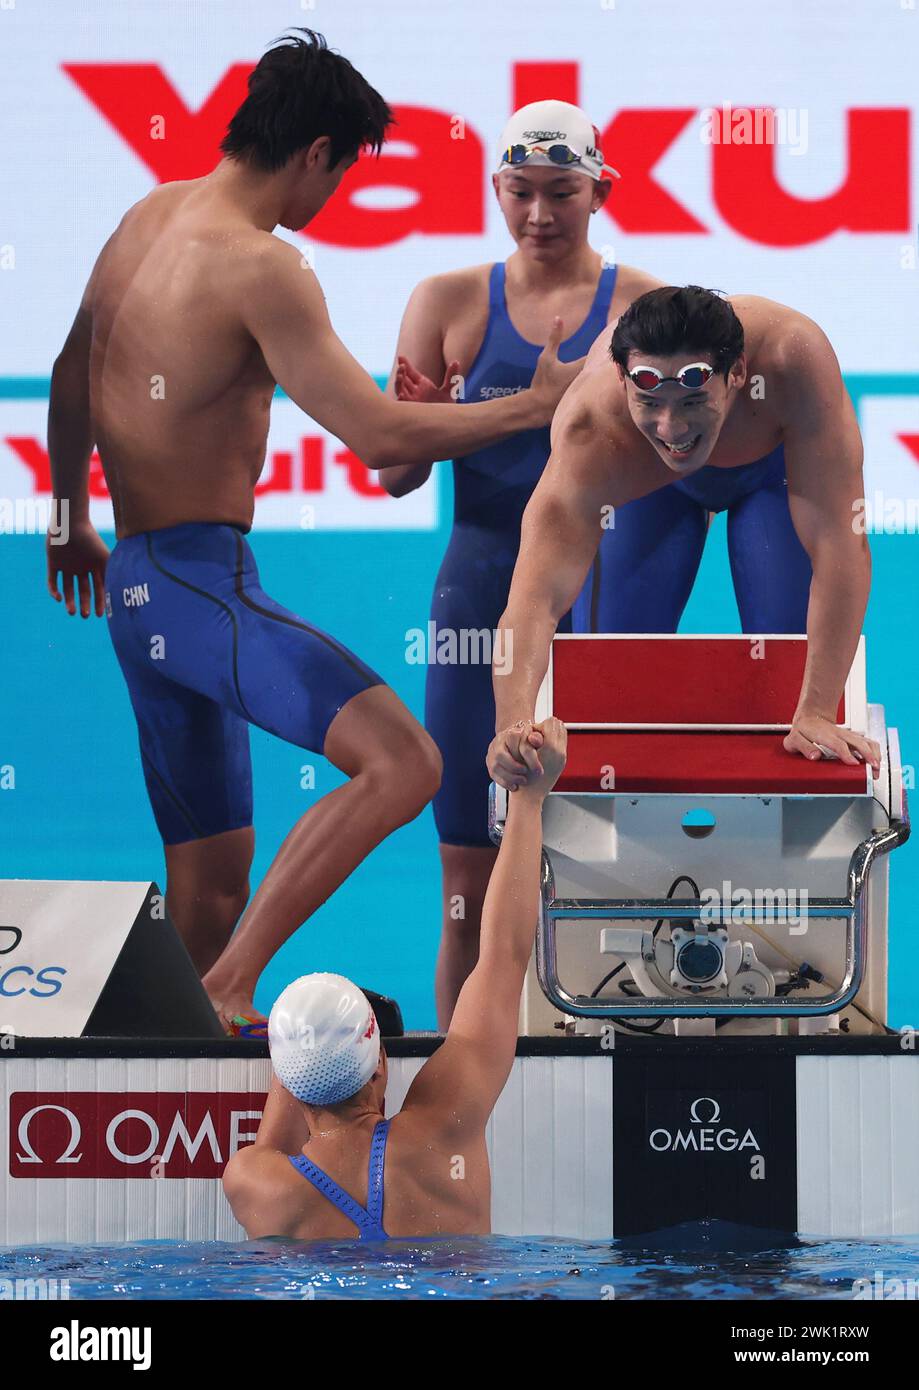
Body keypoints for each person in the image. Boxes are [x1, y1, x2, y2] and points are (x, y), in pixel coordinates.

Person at [43, 30, 577, 1033]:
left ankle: (170, 1075)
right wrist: (528, 406)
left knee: (206, 888)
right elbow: (376, 432)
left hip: (137, 589)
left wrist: (71, 520)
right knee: (406, 763)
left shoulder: (146, 215)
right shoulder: (263, 266)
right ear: (319, 153)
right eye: (340, 176)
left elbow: (72, 371)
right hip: (200, 587)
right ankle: (232, 986)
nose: (329, 203)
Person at [382, 100, 661, 1026]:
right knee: (466, 860)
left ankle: (597, 1053)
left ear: (601, 191)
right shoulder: (446, 300)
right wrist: (427, 420)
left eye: (561, 193)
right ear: (495, 188)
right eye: (519, 192)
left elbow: (684, 453)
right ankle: (460, 1075)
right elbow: (392, 472)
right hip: (479, 582)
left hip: (600, 578)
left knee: (599, 843)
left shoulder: (641, 307)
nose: (538, 215)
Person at [487, 284, 882, 797]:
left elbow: (840, 548)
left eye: (693, 401)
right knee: (610, 694)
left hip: (773, 479)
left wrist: (817, 711)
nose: (672, 427)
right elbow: (533, 601)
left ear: (737, 374)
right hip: (649, 488)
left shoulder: (793, 360)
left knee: (792, 677)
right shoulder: (594, 431)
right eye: (649, 401)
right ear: (623, 381)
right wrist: (513, 726)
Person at [222, 718, 567, 1240]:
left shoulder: (257, 1185)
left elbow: (278, 1135)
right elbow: (504, 956)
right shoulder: (444, 1129)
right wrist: (529, 799)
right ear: (380, 1064)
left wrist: (298, 1054)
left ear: (287, 1081)